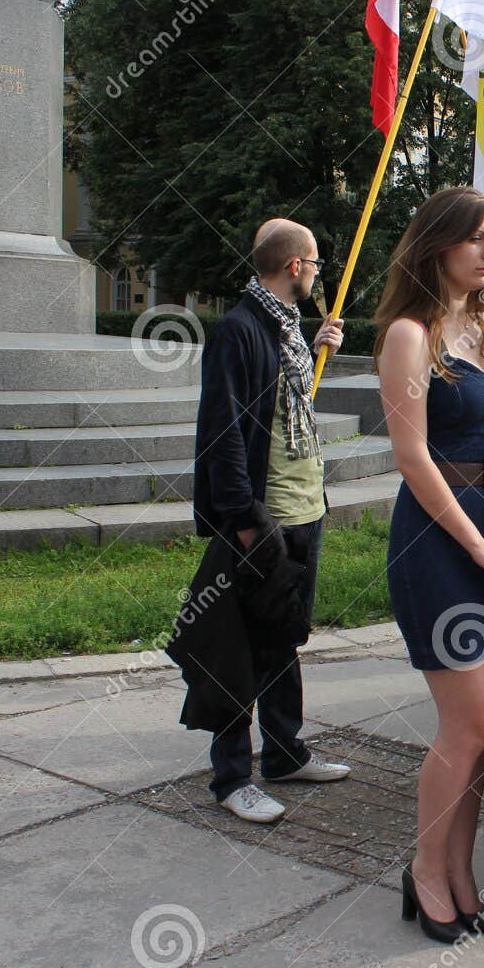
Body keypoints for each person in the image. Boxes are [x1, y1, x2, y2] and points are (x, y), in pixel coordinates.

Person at [376, 187, 484, 943]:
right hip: (441, 541)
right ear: (438, 244)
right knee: (469, 721)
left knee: (479, 729)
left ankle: (460, 868)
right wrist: (475, 545)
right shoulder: (410, 334)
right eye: (477, 240)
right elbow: (412, 457)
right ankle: (425, 869)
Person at [192, 217, 351, 824]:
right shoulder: (239, 329)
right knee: (242, 648)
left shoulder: (283, 329)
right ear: (294, 267)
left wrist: (315, 352)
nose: (316, 273)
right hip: (265, 518)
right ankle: (233, 776)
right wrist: (244, 520)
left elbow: (283, 405)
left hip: (304, 509)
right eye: (314, 264)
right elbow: (224, 432)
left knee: (284, 638)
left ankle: (284, 753)